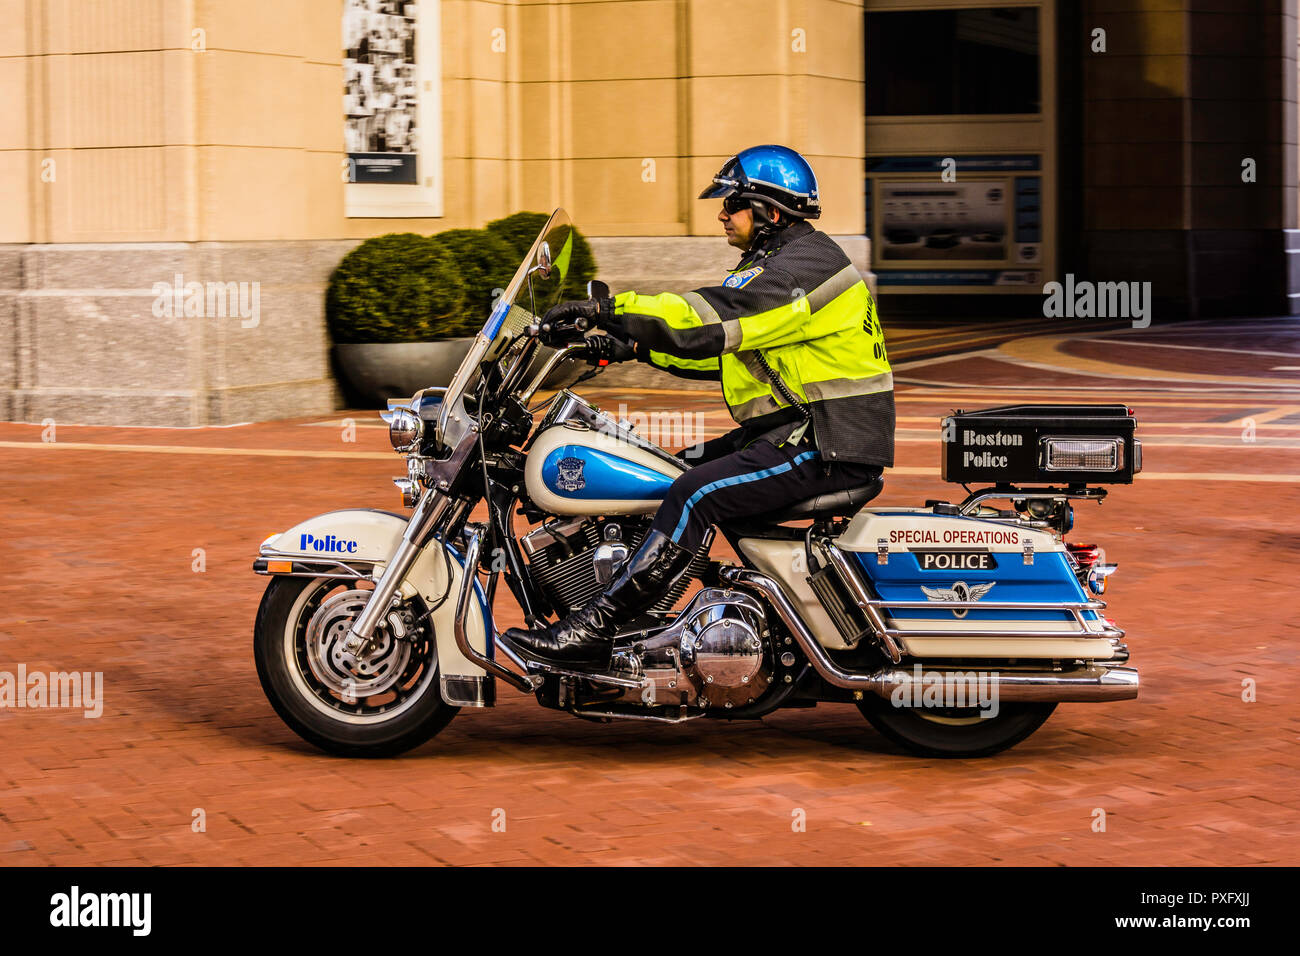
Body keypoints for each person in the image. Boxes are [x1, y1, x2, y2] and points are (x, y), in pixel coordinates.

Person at [502, 145, 895, 671]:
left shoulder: (802, 269)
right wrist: (631, 348)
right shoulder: (783, 264)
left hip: (826, 444)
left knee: (694, 493)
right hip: (798, 433)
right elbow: (728, 354)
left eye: (732, 204)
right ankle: (665, 625)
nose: (721, 214)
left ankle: (598, 627)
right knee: (670, 472)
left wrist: (610, 310)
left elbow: (705, 319)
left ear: (769, 213)